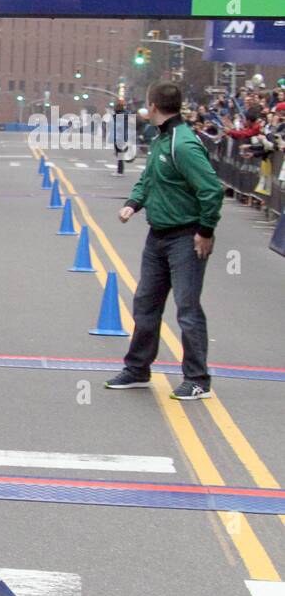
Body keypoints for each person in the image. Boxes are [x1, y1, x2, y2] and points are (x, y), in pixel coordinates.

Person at [105, 82, 222, 401]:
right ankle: (138, 368)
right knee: (145, 302)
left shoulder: (182, 144)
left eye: (146, 104)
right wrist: (134, 202)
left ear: (153, 105)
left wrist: (205, 231)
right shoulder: (162, 140)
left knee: (187, 308)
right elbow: (149, 179)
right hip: (158, 235)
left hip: (185, 237)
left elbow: (211, 189)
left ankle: (197, 379)